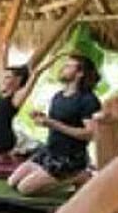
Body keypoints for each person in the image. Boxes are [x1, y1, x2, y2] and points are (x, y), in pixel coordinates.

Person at [8, 54, 101, 195]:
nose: (63, 68)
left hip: (70, 158)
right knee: (12, 182)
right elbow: (59, 121)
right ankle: (50, 175)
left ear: (80, 73)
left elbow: (90, 134)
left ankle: (79, 175)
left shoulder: (88, 100)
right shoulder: (58, 96)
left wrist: (52, 124)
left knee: (25, 189)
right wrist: (42, 118)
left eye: (68, 66)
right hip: (49, 152)